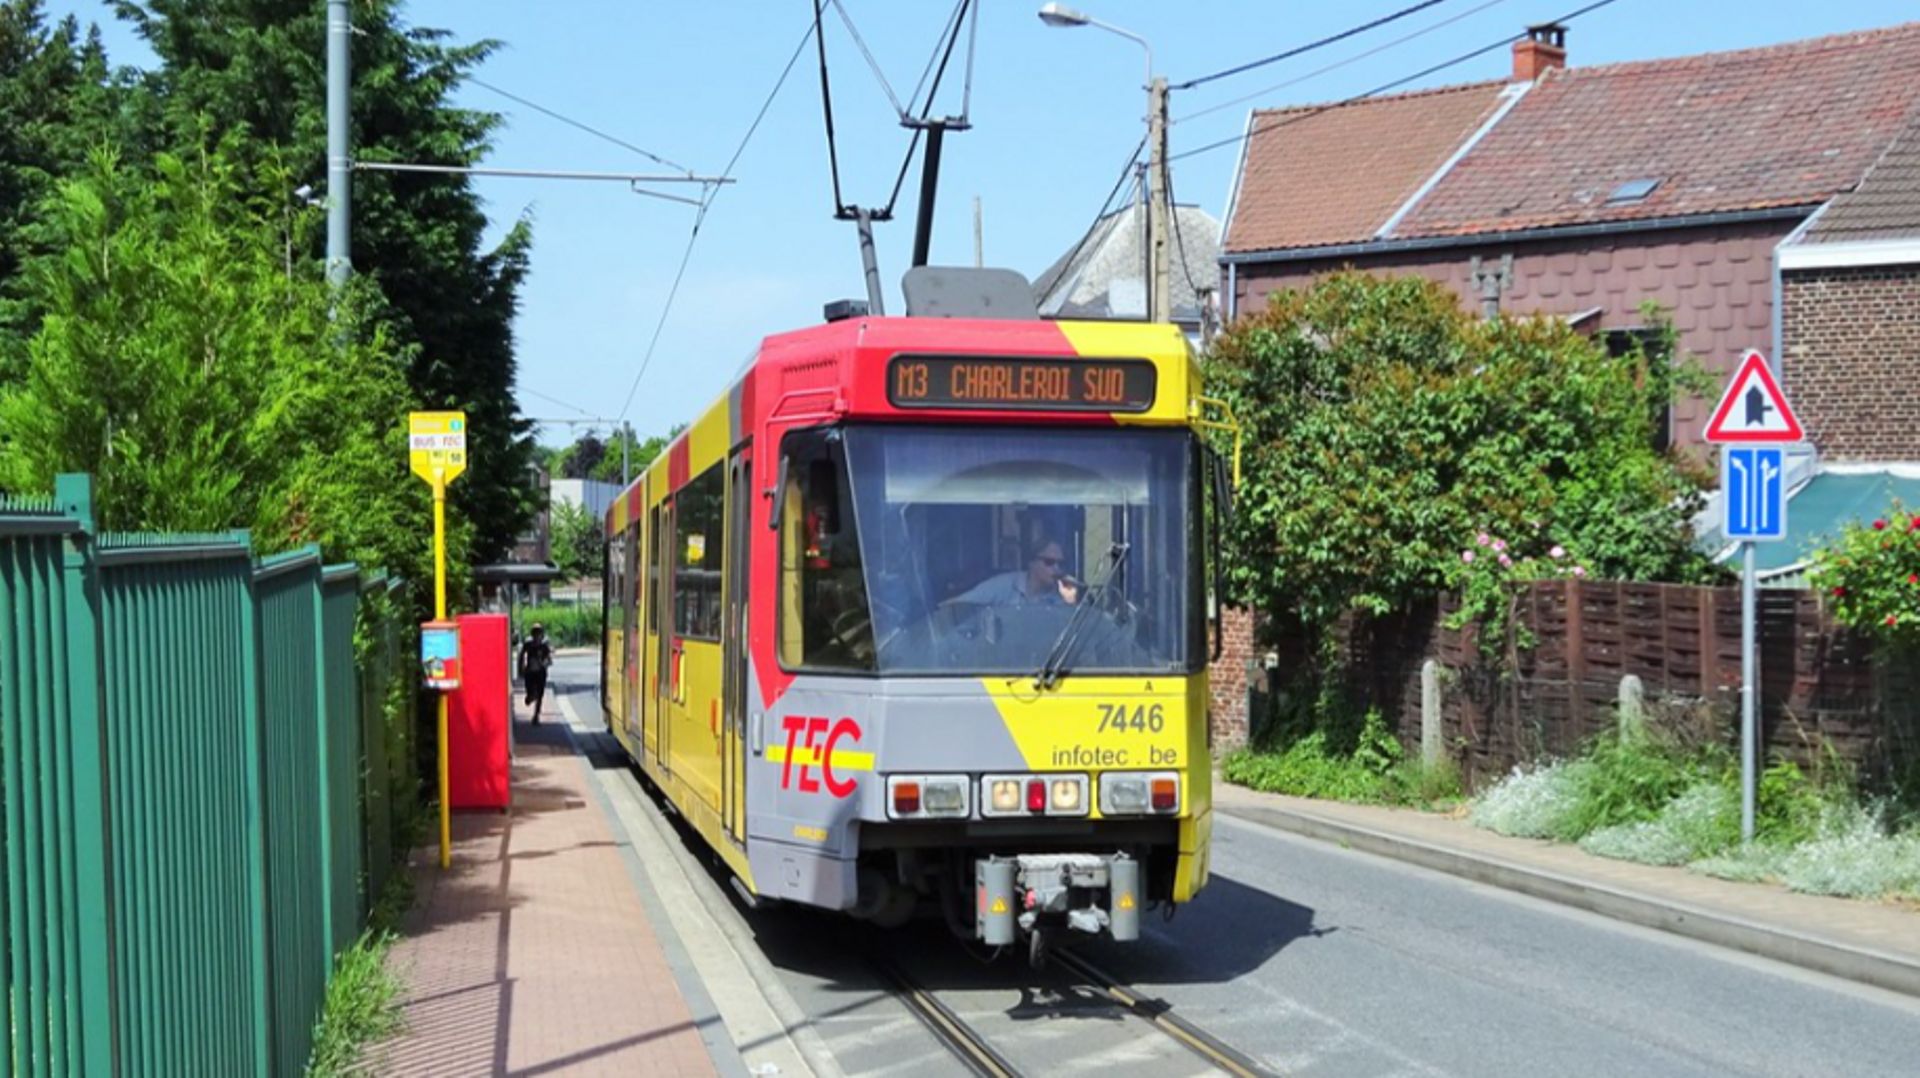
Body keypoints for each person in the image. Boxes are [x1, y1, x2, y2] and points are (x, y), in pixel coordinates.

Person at [946, 537, 1081, 609]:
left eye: (1061, 564)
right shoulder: (1004, 585)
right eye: (1049, 562)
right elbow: (958, 604)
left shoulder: (1061, 598)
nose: (1057, 568)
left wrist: (1070, 602)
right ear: (1032, 563)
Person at [518, 623, 554, 725]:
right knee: (530, 695)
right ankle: (530, 698)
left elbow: (549, 660)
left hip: (540, 673)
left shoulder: (544, 647)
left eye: (539, 633)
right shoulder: (528, 645)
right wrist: (522, 669)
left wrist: (544, 663)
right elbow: (522, 656)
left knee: (540, 695)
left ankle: (536, 716)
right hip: (530, 673)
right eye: (535, 633)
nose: (537, 636)